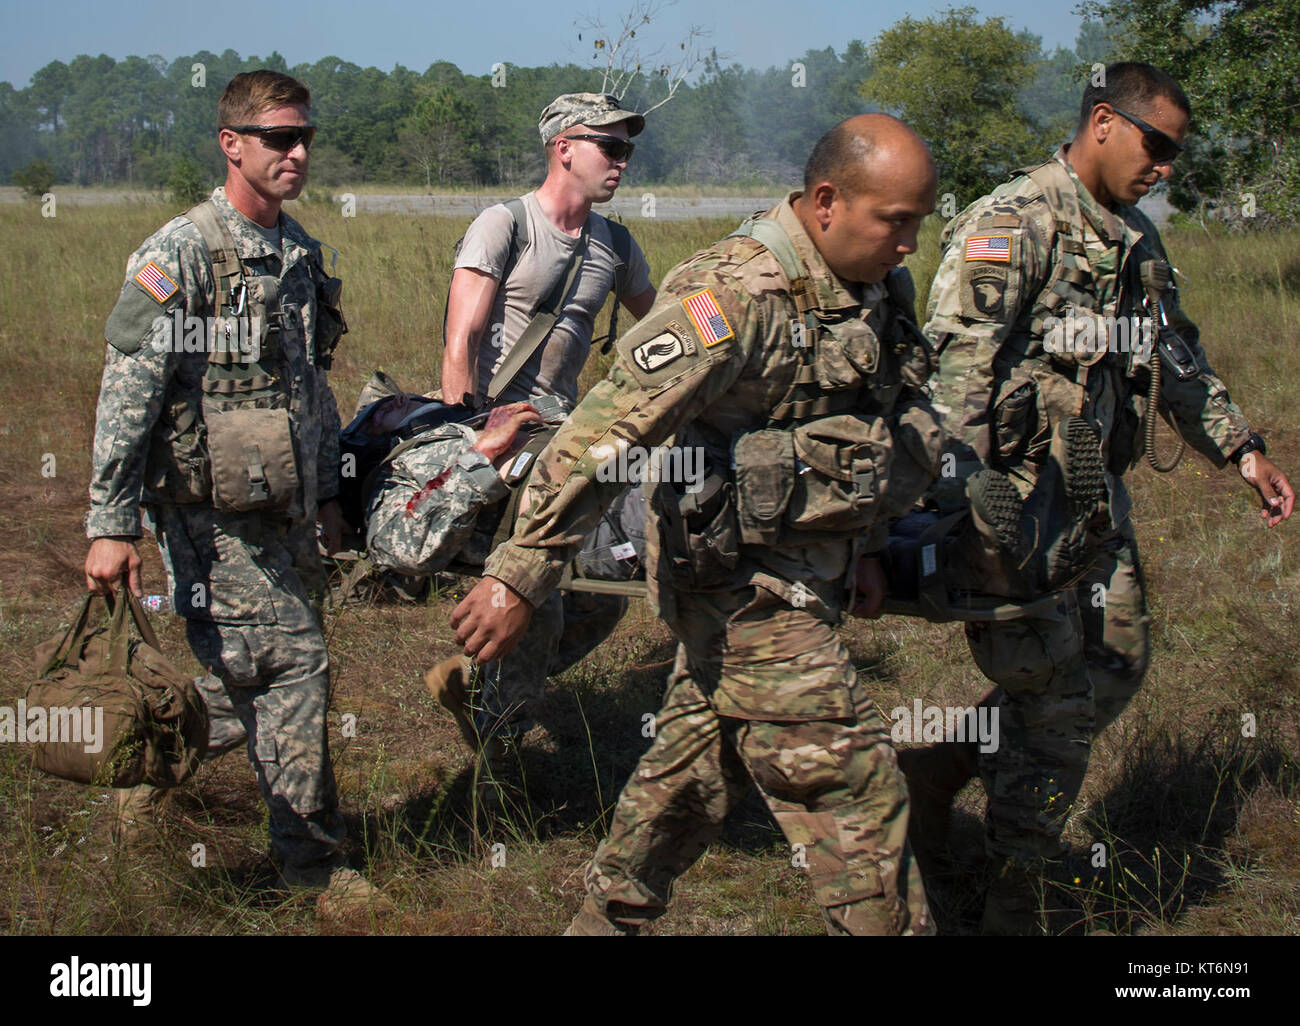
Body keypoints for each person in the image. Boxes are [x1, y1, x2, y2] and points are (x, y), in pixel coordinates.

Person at [451, 114, 943, 935]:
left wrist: (865, 547)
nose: (909, 245)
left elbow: (866, 422)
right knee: (856, 791)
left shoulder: (877, 287)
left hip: (809, 571)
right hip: (740, 590)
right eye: (896, 223)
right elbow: (605, 432)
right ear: (826, 202)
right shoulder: (732, 294)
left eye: (919, 224)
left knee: (687, 783)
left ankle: (605, 922)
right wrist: (521, 570)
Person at [909, 61, 1295, 933]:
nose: (1164, 167)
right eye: (1157, 144)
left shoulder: (1133, 242)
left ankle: (936, 769)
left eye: (1175, 155)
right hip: (1009, 509)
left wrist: (1243, 450)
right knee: (1058, 707)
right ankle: (1015, 900)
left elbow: (1177, 360)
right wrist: (953, 504)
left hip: (1089, 507)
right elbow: (956, 376)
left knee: (1113, 665)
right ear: (1105, 122)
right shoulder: (1014, 221)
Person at [83, 70, 386, 915]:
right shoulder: (177, 255)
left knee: (238, 671)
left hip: (285, 507)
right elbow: (127, 397)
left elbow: (310, 389)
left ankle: (141, 772)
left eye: (304, 138)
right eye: (278, 138)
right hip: (208, 515)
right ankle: (314, 865)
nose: (295, 153)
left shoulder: (298, 254)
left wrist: (329, 497)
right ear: (232, 144)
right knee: (294, 665)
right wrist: (111, 525)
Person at [426, 93, 656, 787]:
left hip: (571, 440)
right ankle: (497, 765)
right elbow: (460, 339)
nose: (621, 164)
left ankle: (481, 680)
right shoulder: (506, 226)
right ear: (564, 147)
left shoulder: (614, 245)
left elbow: (661, 325)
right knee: (543, 587)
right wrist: (466, 443)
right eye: (609, 149)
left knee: (610, 583)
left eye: (627, 152)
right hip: (502, 437)